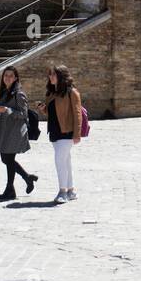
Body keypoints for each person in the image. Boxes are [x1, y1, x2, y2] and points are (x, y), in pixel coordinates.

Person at [37, 64, 82, 204]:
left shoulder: (71, 92)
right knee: (66, 161)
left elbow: (77, 113)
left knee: (59, 161)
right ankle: (71, 190)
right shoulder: (51, 93)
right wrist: (43, 109)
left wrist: (77, 134)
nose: (50, 77)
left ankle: (62, 191)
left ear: (61, 76)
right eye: (50, 74)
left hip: (67, 132)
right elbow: (52, 113)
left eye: (53, 74)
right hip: (54, 131)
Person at [0, 65, 37, 200]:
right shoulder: (5, 91)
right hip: (5, 130)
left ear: (16, 78)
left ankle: (19, 182)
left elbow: (24, 114)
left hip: (15, 131)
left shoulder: (19, 93)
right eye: (5, 75)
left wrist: (7, 110)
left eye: (11, 76)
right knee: (7, 159)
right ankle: (13, 187)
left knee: (7, 159)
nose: (7, 78)